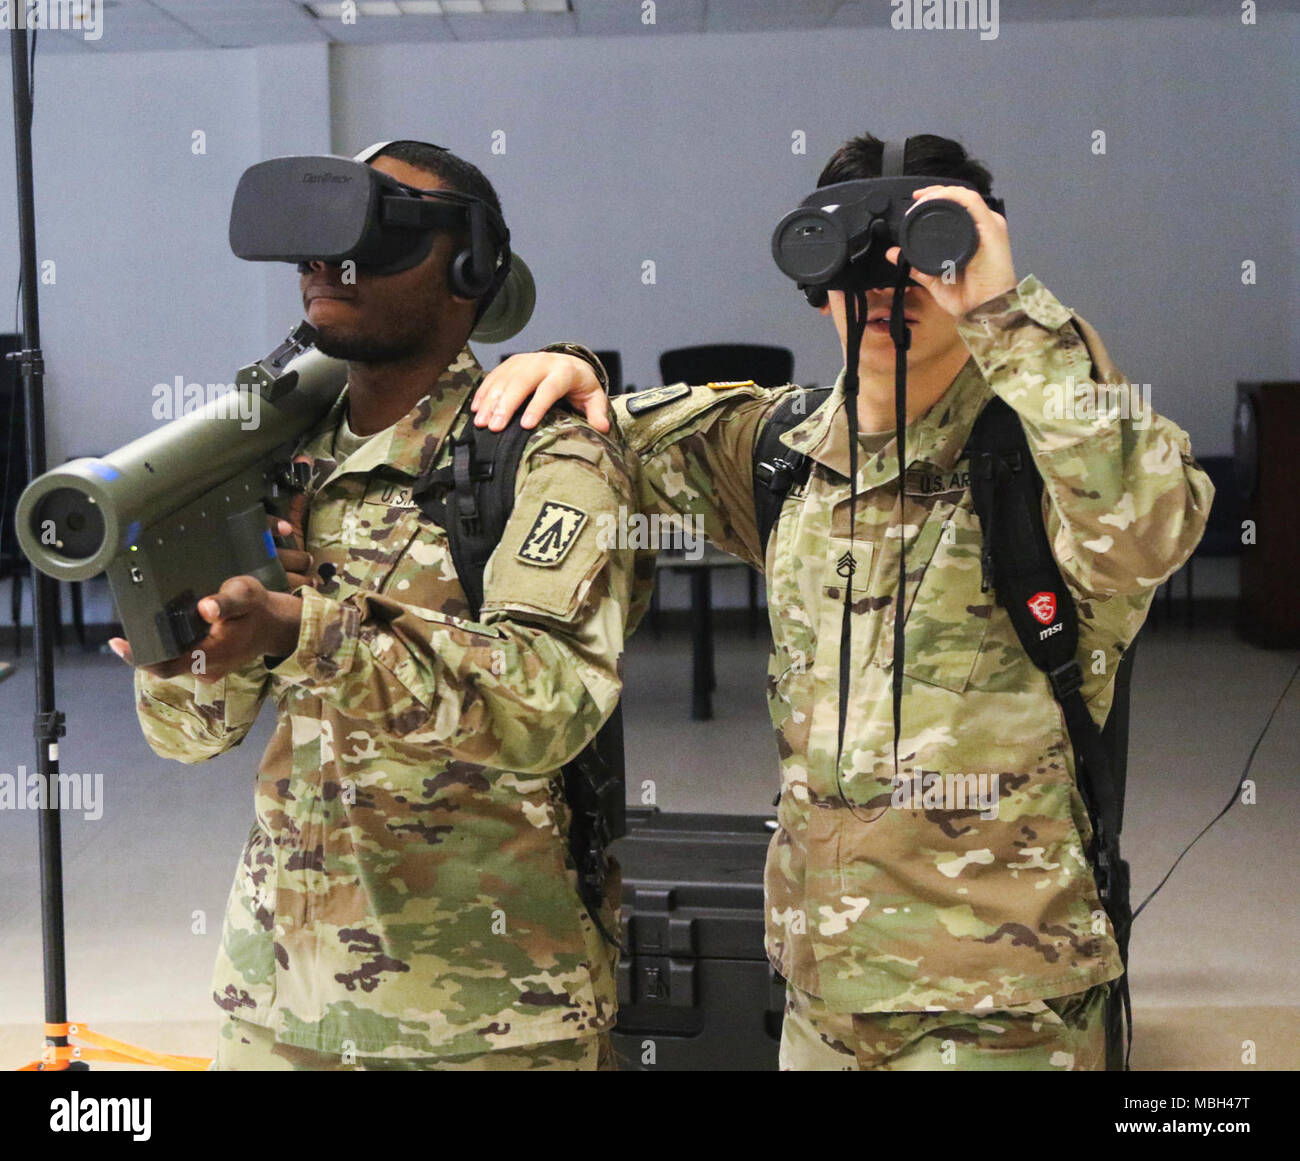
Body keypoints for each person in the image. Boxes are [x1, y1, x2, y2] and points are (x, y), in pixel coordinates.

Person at [472, 132, 1214, 1070]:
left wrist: (1005, 311)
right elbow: (615, 434)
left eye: (924, 243)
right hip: (820, 1001)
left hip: (1005, 1012)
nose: (886, 276)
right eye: (852, 249)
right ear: (814, 276)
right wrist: (571, 367)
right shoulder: (778, 455)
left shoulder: (1049, 456)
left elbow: (1149, 529)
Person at [111, 141, 649, 1070]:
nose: (327, 265)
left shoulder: (540, 455)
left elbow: (546, 704)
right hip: (279, 1000)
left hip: (487, 1014)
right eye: (314, 247)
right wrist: (185, 661)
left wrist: (300, 630)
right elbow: (190, 738)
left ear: (470, 266)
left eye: (372, 235)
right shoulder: (274, 456)